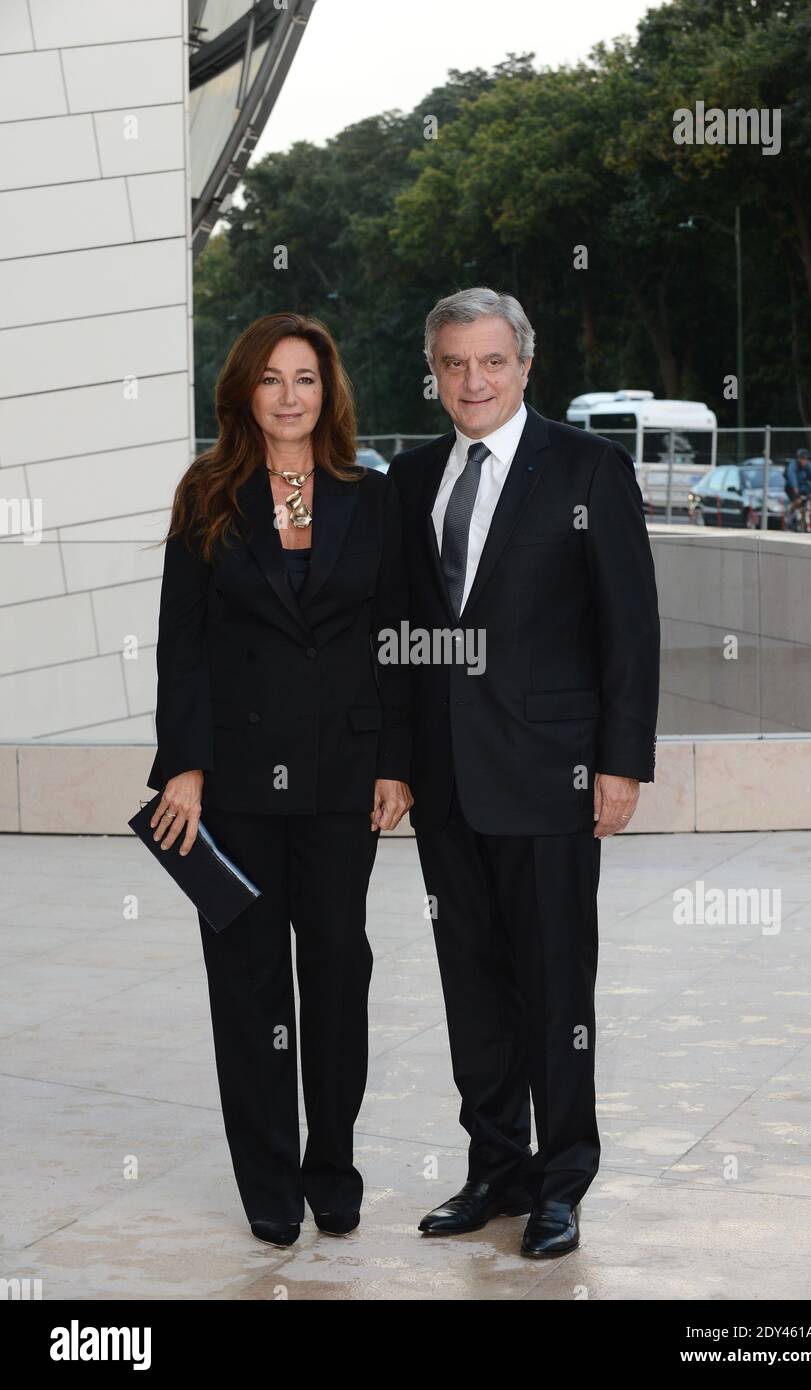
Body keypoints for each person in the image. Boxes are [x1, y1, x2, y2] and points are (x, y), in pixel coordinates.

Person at [385, 288, 660, 1258]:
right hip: (445, 781)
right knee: (473, 983)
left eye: (490, 361)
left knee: (553, 986)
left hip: (552, 774)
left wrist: (622, 763)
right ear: (435, 371)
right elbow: (403, 637)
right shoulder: (410, 475)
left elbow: (628, 626)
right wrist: (394, 763)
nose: (472, 380)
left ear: (524, 365)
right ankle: (495, 1165)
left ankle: (561, 1178)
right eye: (454, 363)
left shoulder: (589, 467)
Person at [146, 312, 412, 1249]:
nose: (289, 396)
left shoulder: (371, 497)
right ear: (243, 394)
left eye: (305, 378)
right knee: (247, 981)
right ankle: (266, 1179)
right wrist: (183, 767)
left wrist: (396, 762)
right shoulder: (207, 492)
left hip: (345, 778)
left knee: (339, 971)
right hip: (237, 783)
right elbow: (182, 645)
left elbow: (396, 643)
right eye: (270, 378)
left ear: (327, 392)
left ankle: (330, 1164)